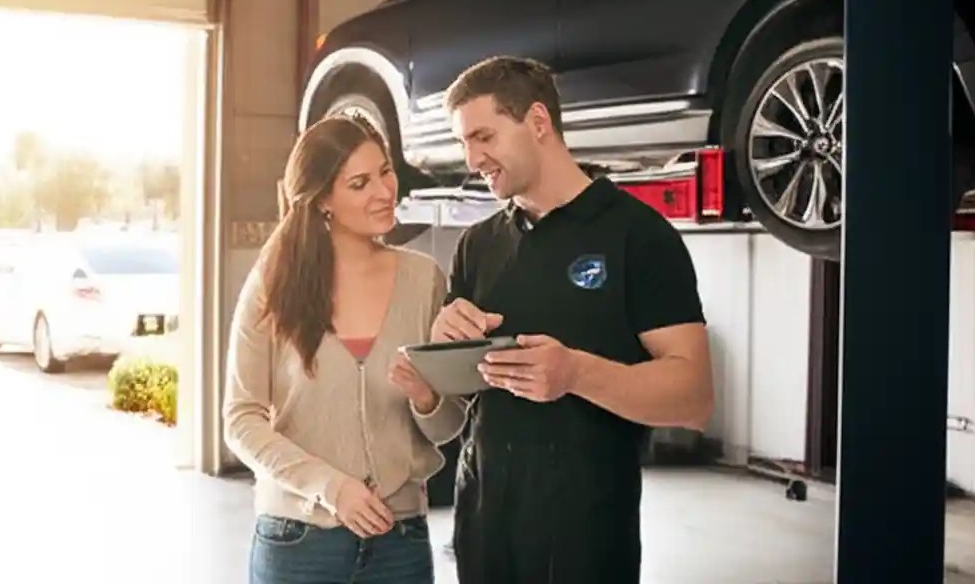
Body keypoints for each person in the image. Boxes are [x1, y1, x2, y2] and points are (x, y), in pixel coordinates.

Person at [432, 56, 716, 584]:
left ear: (538, 122)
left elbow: (694, 395)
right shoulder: (478, 245)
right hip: (484, 520)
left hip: (586, 533)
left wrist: (576, 374)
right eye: (463, 143)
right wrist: (442, 343)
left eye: (483, 136)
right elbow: (463, 388)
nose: (473, 160)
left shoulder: (639, 237)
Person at [222, 114, 466, 584]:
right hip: (297, 542)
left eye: (385, 171)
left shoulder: (423, 279)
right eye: (359, 183)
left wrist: (426, 398)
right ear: (323, 201)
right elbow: (241, 419)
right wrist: (332, 488)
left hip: (399, 542)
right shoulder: (273, 285)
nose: (384, 190)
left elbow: (447, 426)